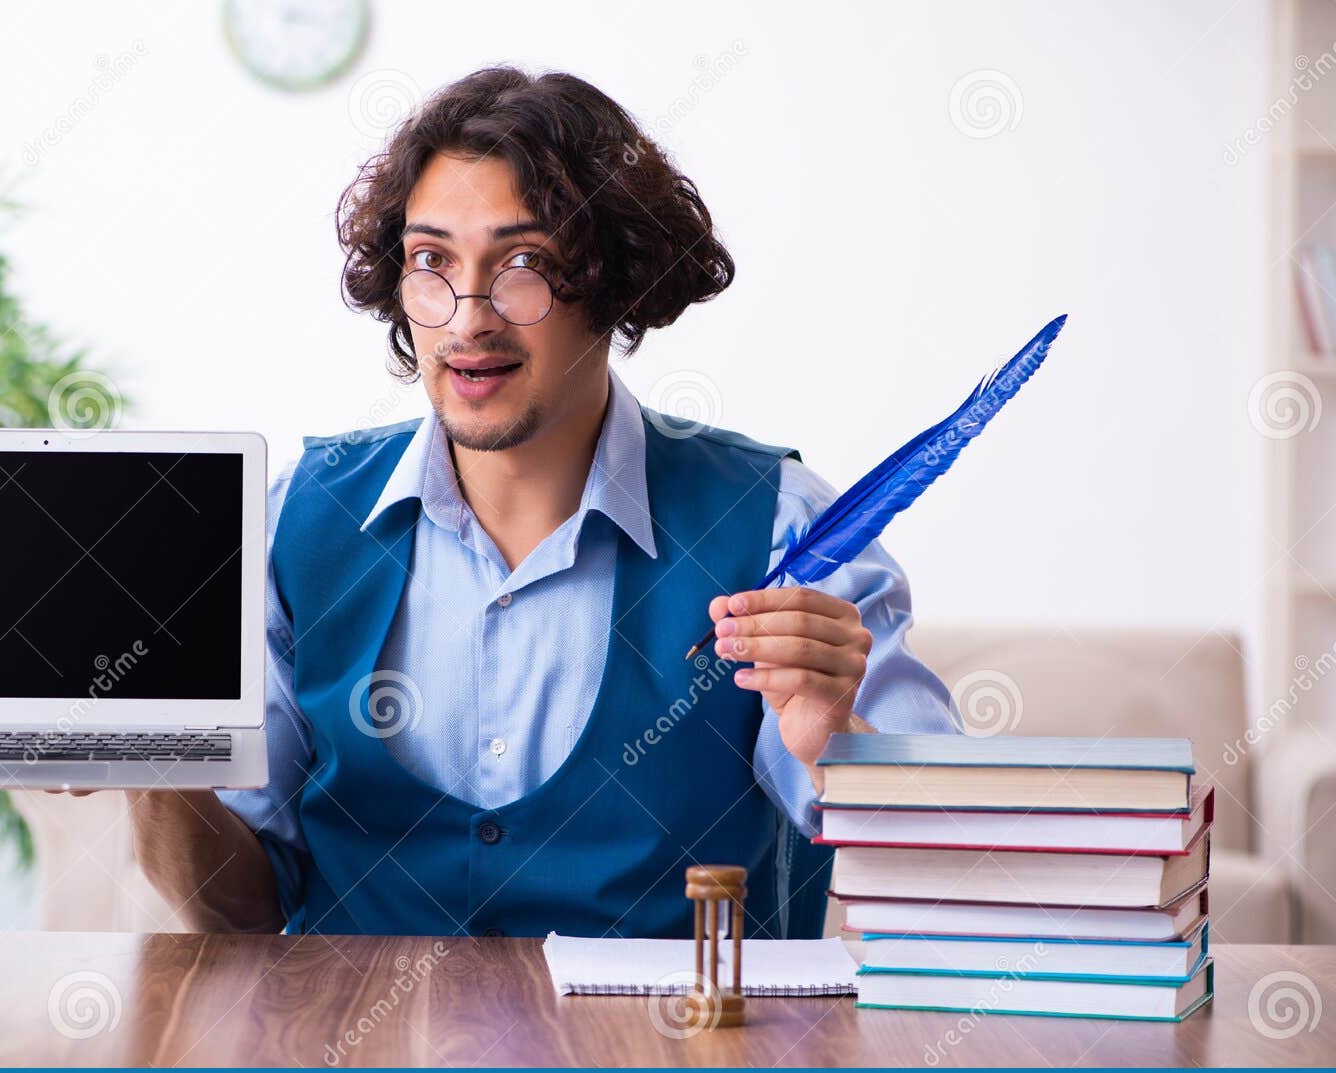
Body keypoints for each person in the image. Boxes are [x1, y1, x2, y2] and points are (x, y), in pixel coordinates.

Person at [130, 67, 958, 938]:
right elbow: (237, 914)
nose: (467, 318)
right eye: (431, 262)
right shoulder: (294, 523)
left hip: (675, 1065)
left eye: (524, 265)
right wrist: (152, 756)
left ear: (614, 283)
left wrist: (838, 742)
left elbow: (960, 876)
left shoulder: (781, 528)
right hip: (359, 1062)